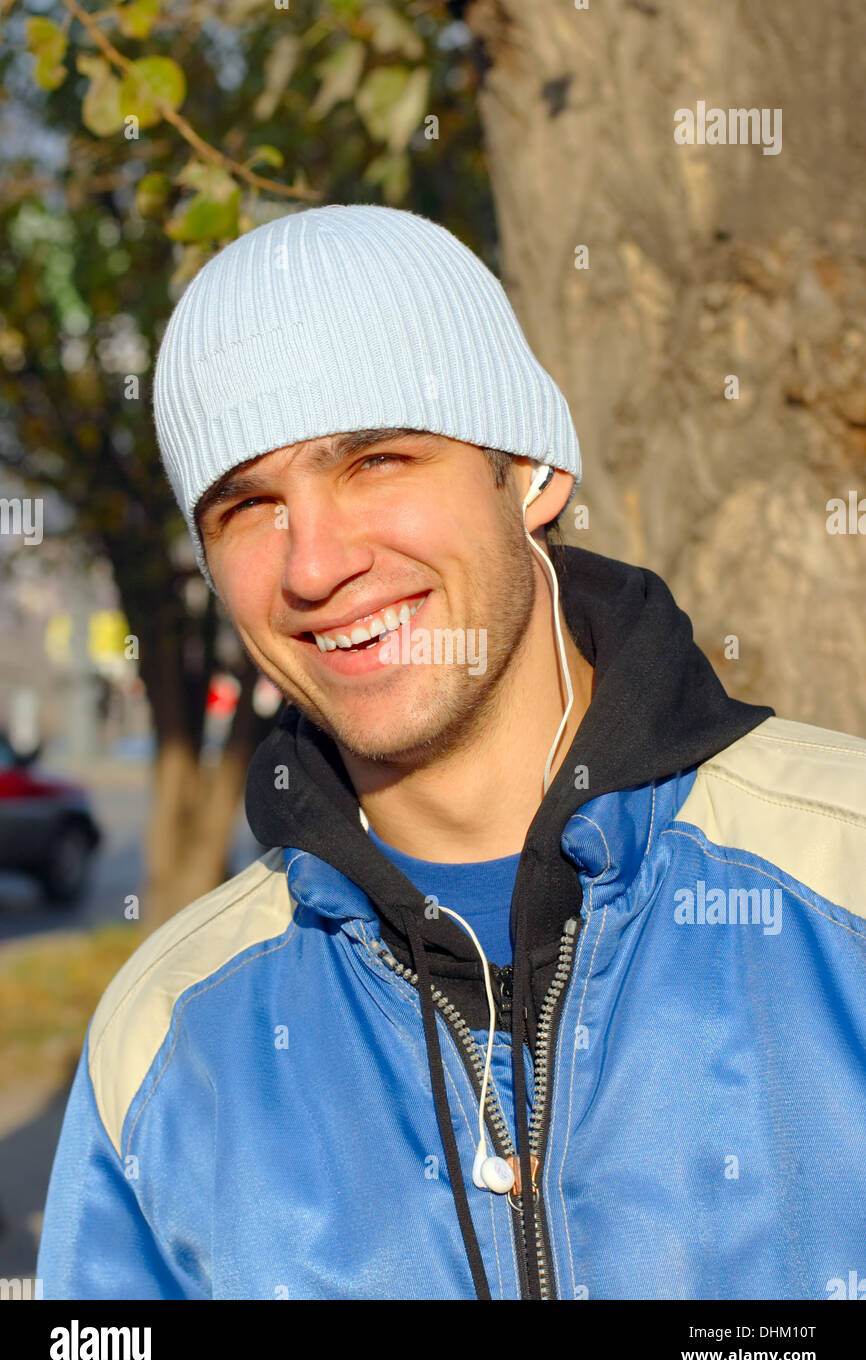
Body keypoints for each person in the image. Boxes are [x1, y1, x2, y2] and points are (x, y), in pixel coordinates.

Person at [37, 204, 866, 1301]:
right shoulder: (169, 1043)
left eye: (377, 460)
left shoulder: (838, 883)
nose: (315, 563)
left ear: (530, 472)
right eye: (249, 506)